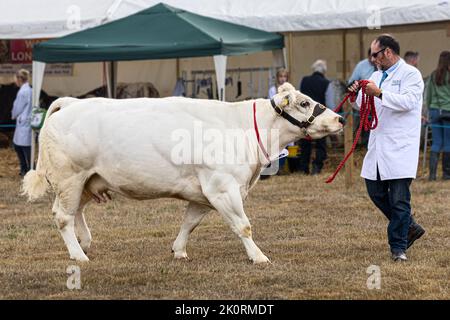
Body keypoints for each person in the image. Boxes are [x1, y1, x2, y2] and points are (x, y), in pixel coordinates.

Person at [348, 34, 425, 262]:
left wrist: (380, 93)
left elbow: (409, 102)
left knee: (400, 199)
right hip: (379, 144)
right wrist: (355, 94)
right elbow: (363, 102)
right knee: (375, 191)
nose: (372, 59)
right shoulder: (375, 75)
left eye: (375, 54)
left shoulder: (411, 74)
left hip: (401, 146)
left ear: (388, 52)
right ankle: (409, 226)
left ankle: (398, 247)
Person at [298, 60, 329, 175]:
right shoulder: (326, 83)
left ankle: (304, 168)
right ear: (324, 71)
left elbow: (300, 99)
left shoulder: (304, 80)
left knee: (305, 142)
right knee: (320, 143)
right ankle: (316, 167)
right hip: (320, 117)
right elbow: (329, 101)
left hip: (305, 116)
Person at [426, 51, 450, 180]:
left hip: (435, 111)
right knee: (448, 143)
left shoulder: (433, 76)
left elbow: (428, 95)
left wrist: (429, 110)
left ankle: (432, 175)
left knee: (436, 143)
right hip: (448, 112)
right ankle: (446, 175)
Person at [348, 49, 377, 146]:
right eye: (371, 57)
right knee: (362, 122)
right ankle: (363, 144)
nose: (373, 60)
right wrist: (359, 86)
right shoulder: (361, 66)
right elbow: (352, 81)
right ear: (368, 56)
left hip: (378, 100)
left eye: (375, 57)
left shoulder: (382, 66)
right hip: (364, 100)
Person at [268, 68, 291, 175]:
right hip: (277, 120)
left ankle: (283, 166)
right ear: (277, 78)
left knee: (285, 143)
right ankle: (275, 167)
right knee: (276, 144)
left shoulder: (290, 91)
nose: (282, 79)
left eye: (284, 76)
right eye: (280, 76)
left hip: (287, 120)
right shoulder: (273, 90)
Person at [11, 69, 32, 176]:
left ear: (20, 79)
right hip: (24, 122)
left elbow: (18, 107)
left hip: (24, 121)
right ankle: (25, 168)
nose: (15, 81)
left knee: (24, 147)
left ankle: (28, 169)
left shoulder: (24, 91)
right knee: (19, 146)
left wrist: (13, 115)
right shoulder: (27, 90)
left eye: (16, 78)